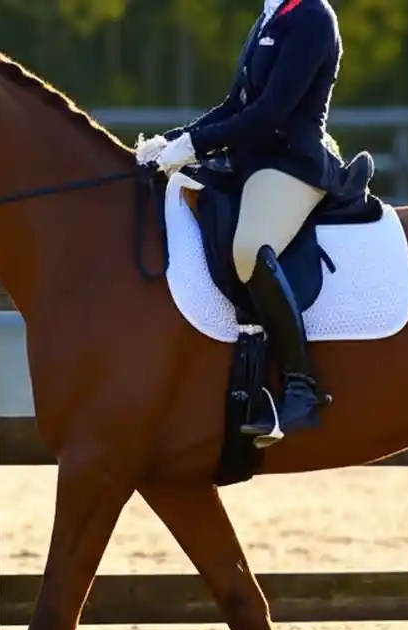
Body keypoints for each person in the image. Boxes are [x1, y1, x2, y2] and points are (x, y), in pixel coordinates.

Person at [137, 0, 354, 446]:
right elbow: (234, 105)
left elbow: (271, 112)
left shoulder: (313, 17)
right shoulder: (271, 14)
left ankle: (301, 384)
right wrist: (174, 140)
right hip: (250, 162)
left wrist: (195, 146)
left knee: (250, 249)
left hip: (291, 164)